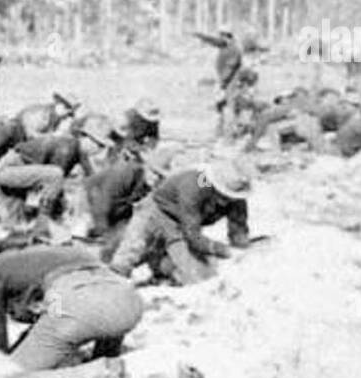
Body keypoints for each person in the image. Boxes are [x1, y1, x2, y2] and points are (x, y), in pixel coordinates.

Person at [0, 241, 142, 378]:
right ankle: (106, 369)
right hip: (129, 301)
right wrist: (107, 355)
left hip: (78, 305)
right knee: (70, 315)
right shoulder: (67, 253)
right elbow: (103, 304)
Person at [110, 159, 252, 285]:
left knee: (196, 275)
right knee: (128, 255)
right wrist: (220, 249)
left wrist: (241, 248)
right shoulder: (194, 186)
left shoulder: (236, 198)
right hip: (156, 211)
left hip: (181, 224)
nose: (227, 200)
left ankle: (160, 264)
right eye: (224, 194)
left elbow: (238, 229)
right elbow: (192, 235)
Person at [84, 144, 176, 259]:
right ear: (146, 167)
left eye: (161, 176)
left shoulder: (151, 185)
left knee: (120, 239)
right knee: (101, 244)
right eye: (154, 172)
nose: (156, 178)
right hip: (91, 199)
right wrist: (103, 231)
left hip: (117, 208)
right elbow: (102, 202)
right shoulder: (123, 173)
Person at [0, 128, 94, 219]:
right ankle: (43, 223)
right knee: (56, 175)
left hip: (21, 173)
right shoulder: (67, 147)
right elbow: (54, 180)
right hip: (9, 169)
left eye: (102, 147)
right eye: (98, 144)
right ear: (85, 138)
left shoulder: (80, 151)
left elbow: (93, 179)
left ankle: (39, 221)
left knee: (16, 222)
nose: (98, 149)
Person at [194, 28, 243, 135]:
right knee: (221, 104)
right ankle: (223, 127)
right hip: (225, 80)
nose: (219, 39)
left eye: (222, 37)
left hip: (232, 80)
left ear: (228, 37)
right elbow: (213, 41)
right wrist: (201, 36)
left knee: (231, 104)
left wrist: (223, 83)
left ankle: (234, 129)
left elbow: (231, 68)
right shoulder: (224, 45)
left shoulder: (234, 49)